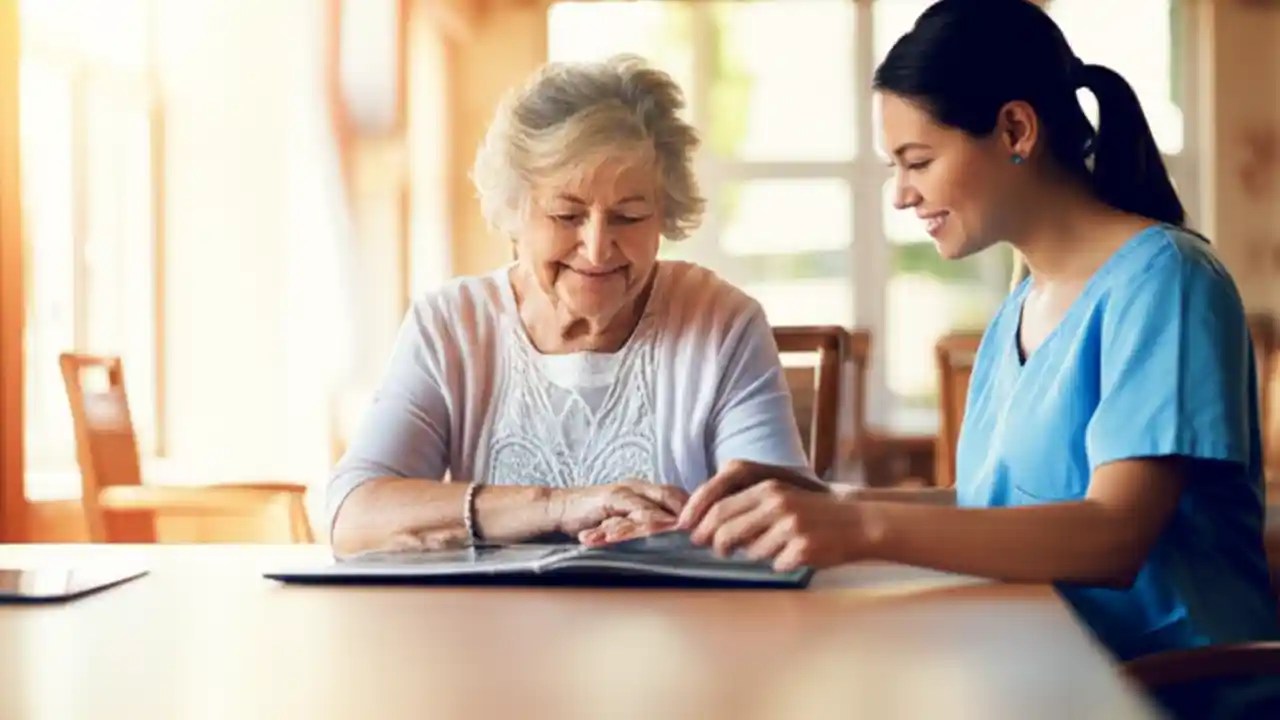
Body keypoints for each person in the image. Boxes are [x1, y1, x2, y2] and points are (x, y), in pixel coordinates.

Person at [673, 1, 1280, 716]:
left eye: (918, 161)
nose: (901, 194)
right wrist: (825, 501)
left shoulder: (1167, 280)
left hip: (1167, 695)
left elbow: (1113, 533)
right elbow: (991, 512)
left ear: (1016, 130)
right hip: (1041, 672)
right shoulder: (1018, 308)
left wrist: (859, 527)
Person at [327, 55, 820, 557]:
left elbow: (787, 520)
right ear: (515, 209)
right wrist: (556, 506)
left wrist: (675, 535)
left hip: (674, 630)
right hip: (483, 632)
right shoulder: (450, 327)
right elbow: (352, 515)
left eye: (629, 216)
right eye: (567, 214)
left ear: (664, 214)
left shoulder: (722, 323)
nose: (598, 247)